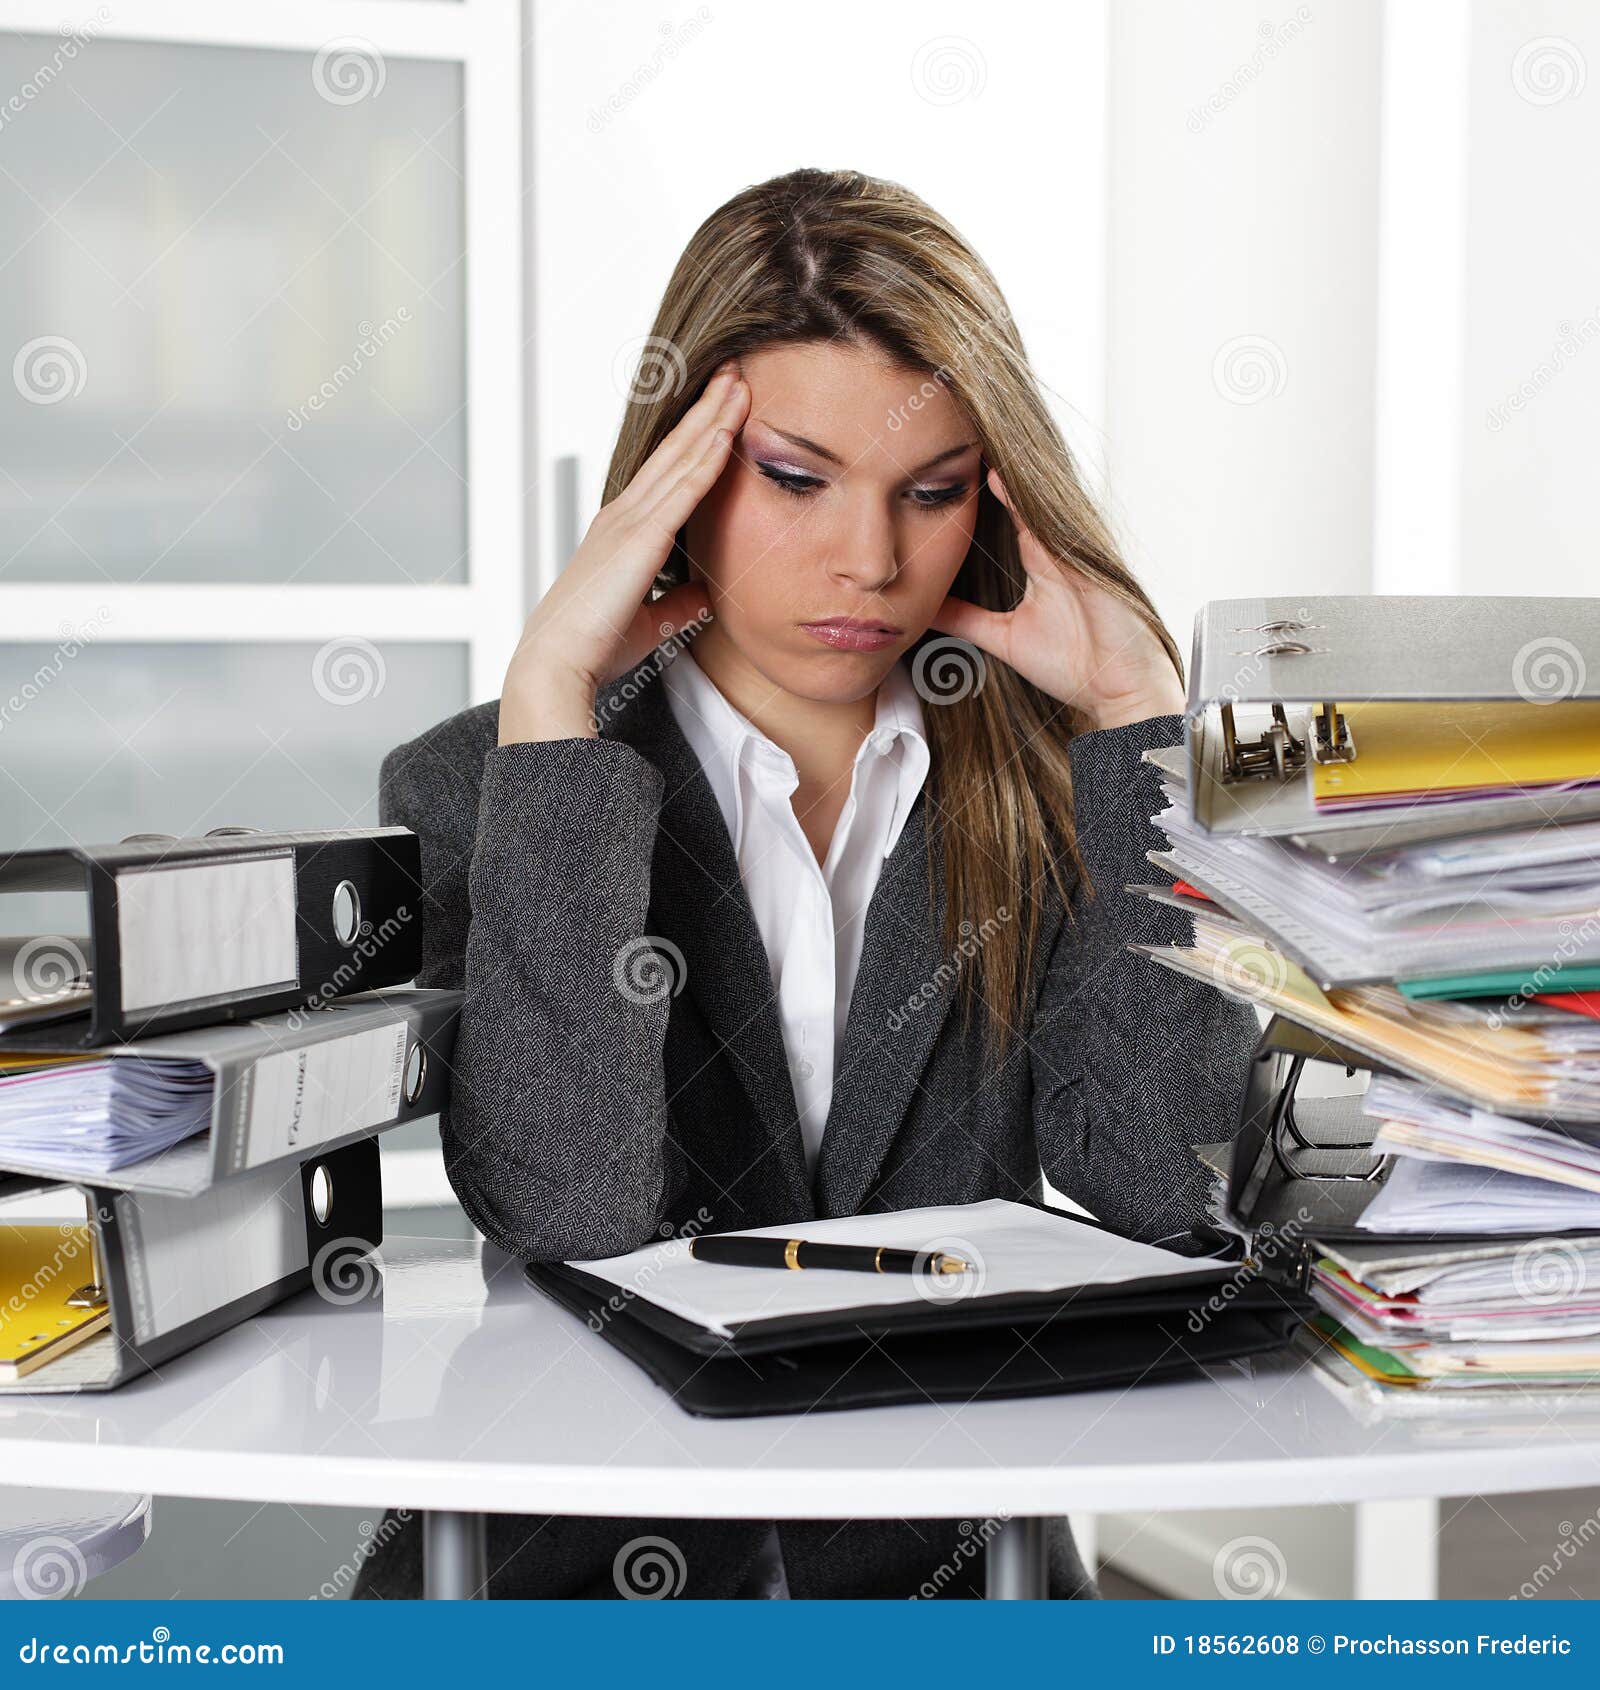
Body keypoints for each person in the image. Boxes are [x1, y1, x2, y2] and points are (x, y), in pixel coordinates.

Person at [354, 166, 1260, 1601]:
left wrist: (1142, 718)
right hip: (569, 1582)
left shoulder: (1047, 779)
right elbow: (563, 1204)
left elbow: (1156, 1185)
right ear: (680, 474)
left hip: (949, 1581)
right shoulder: (496, 782)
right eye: (795, 479)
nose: (870, 558)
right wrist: (551, 699)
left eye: (935, 492)